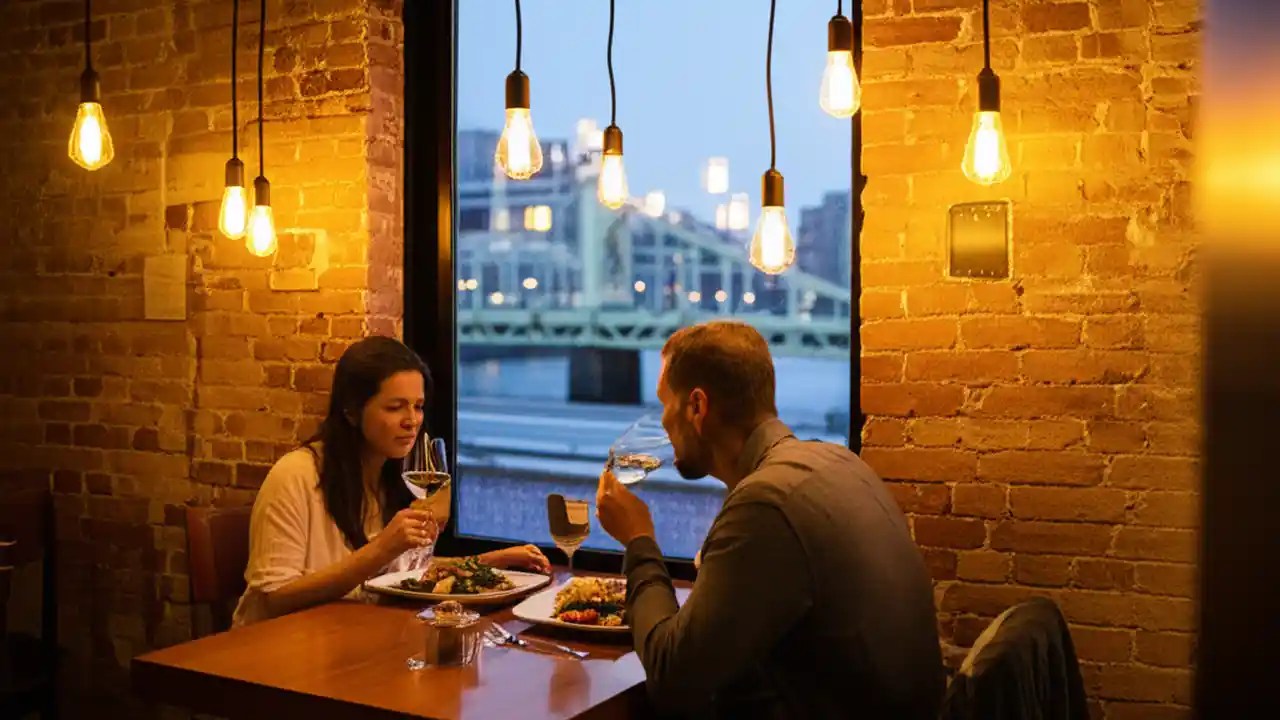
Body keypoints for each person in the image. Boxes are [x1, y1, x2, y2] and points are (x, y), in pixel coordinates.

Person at [595, 321, 945, 719]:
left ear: (697, 407)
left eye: (664, 403)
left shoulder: (764, 504)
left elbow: (673, 679)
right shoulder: (840, 462)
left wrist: (638, 540)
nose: (661, 421)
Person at [233, 336, 548, 626]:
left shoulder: (392, 476)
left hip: (352, 638)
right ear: (351, 412)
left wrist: (492, 562)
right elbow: (275, 598)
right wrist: (383, 548)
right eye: (395, 407)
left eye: (418, 406)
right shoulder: (296, 475)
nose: (412, 421)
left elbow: (410, 575)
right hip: (280, 647)